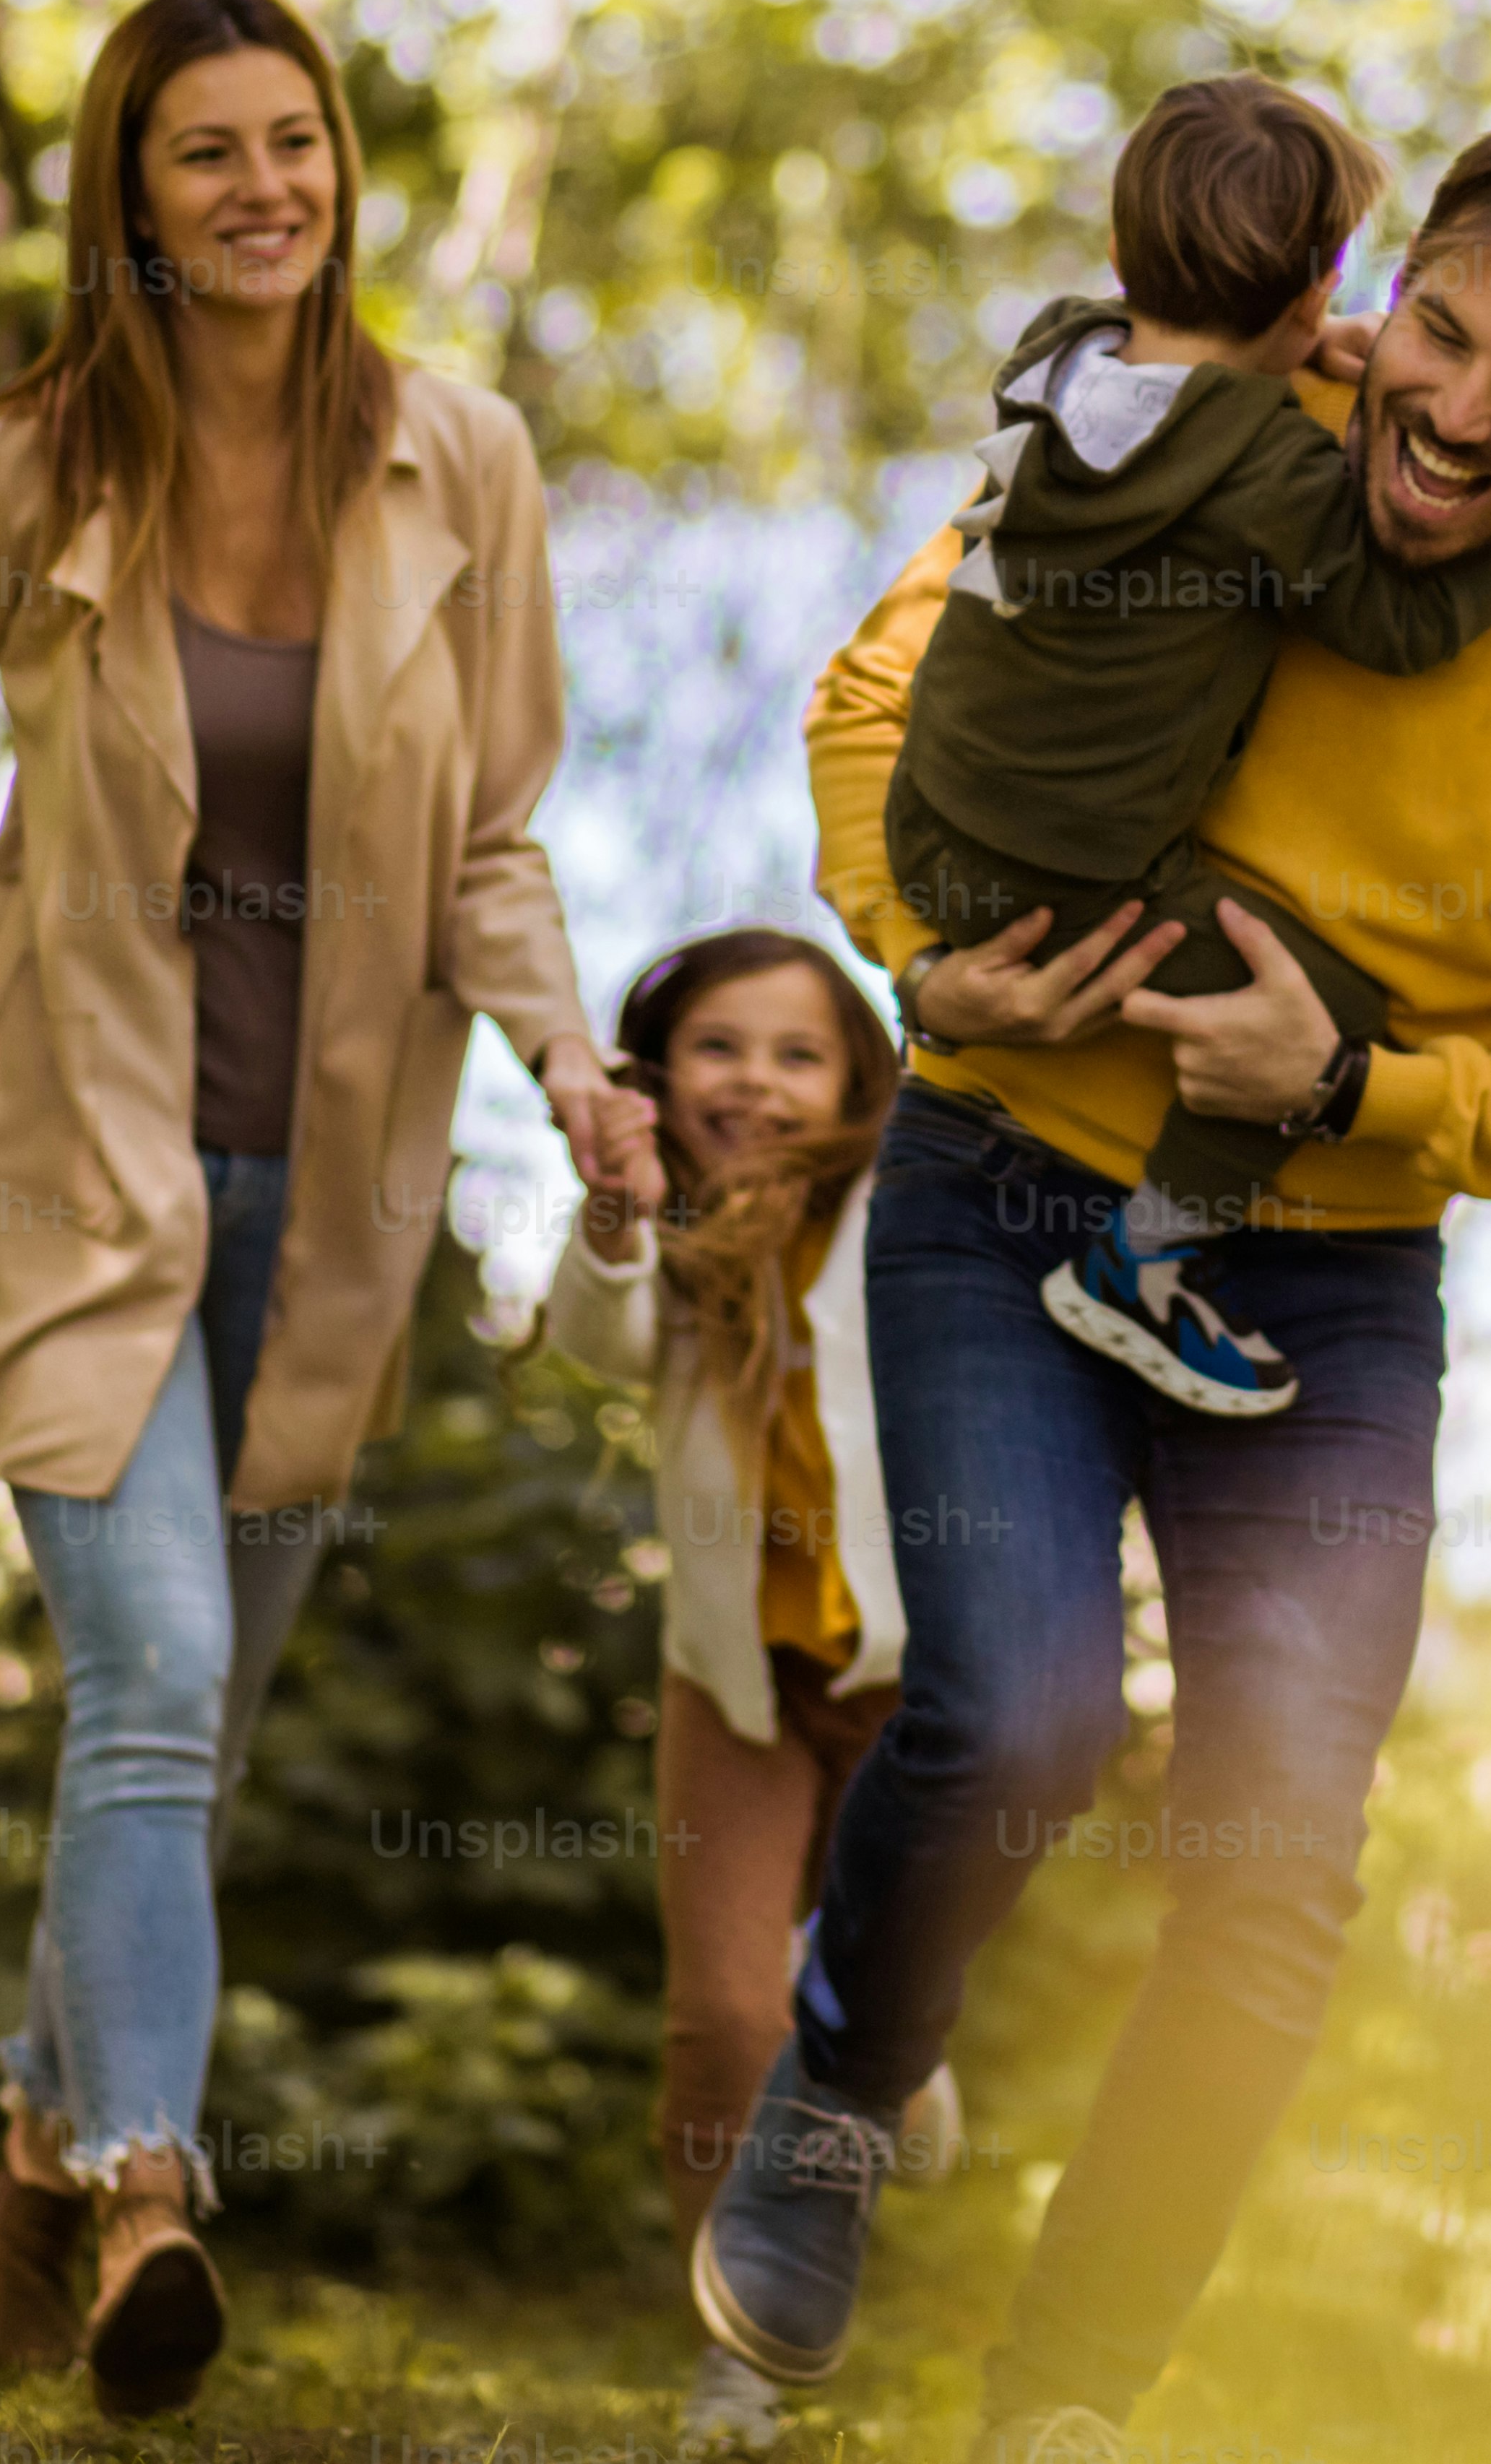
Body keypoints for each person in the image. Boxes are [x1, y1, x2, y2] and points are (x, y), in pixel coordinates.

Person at [691, 123, 1491, 2463]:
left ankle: (1069, 2391)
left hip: (1329, 1279)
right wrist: (922, 936)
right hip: (1005, 1181)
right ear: (1380, 298)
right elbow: (878, 693)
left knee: (1281, 1848)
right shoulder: (1214, 412)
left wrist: (1372, 1083)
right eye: (1446, 338)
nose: (1461, 413)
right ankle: (841, 2085)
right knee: (1023, 1710)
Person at [0, 0, 666, 2426]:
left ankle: (21, 2147)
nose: (260, 188)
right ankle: (142, 2197)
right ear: (133, 193)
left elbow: (492, 835)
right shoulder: (35, 466)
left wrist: (568, 1055)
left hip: (330, 1205)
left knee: (178, 1745)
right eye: (204, 152)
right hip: (71, 1187)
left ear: (340, 167)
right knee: (162, 1687)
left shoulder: (463, 463)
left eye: (292, 141)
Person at [878, 75, 1491, 1423]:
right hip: (1066, 882)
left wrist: (1302, 345)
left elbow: (1179, 380)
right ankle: (1143, 1260)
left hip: (930, 822)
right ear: (1314, 299)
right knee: (1322, 1020)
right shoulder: (1262, 463)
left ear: (1128, 250)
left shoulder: (1053, 351)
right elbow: (1396, 617)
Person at [531, 924, 971, 2455]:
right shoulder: (664, 1221)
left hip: (923, 1671)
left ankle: (895, 2045)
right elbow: (589, 1343)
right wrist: (613, 1206)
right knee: (722, 2017)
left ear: (856, 1072)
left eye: (798, 1054)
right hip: (737, 1679)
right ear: (658, 1072)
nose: (759, 1085)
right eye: (721, 1048)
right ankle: (739, 2355)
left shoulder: (916, 1193)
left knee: (874, 2003)